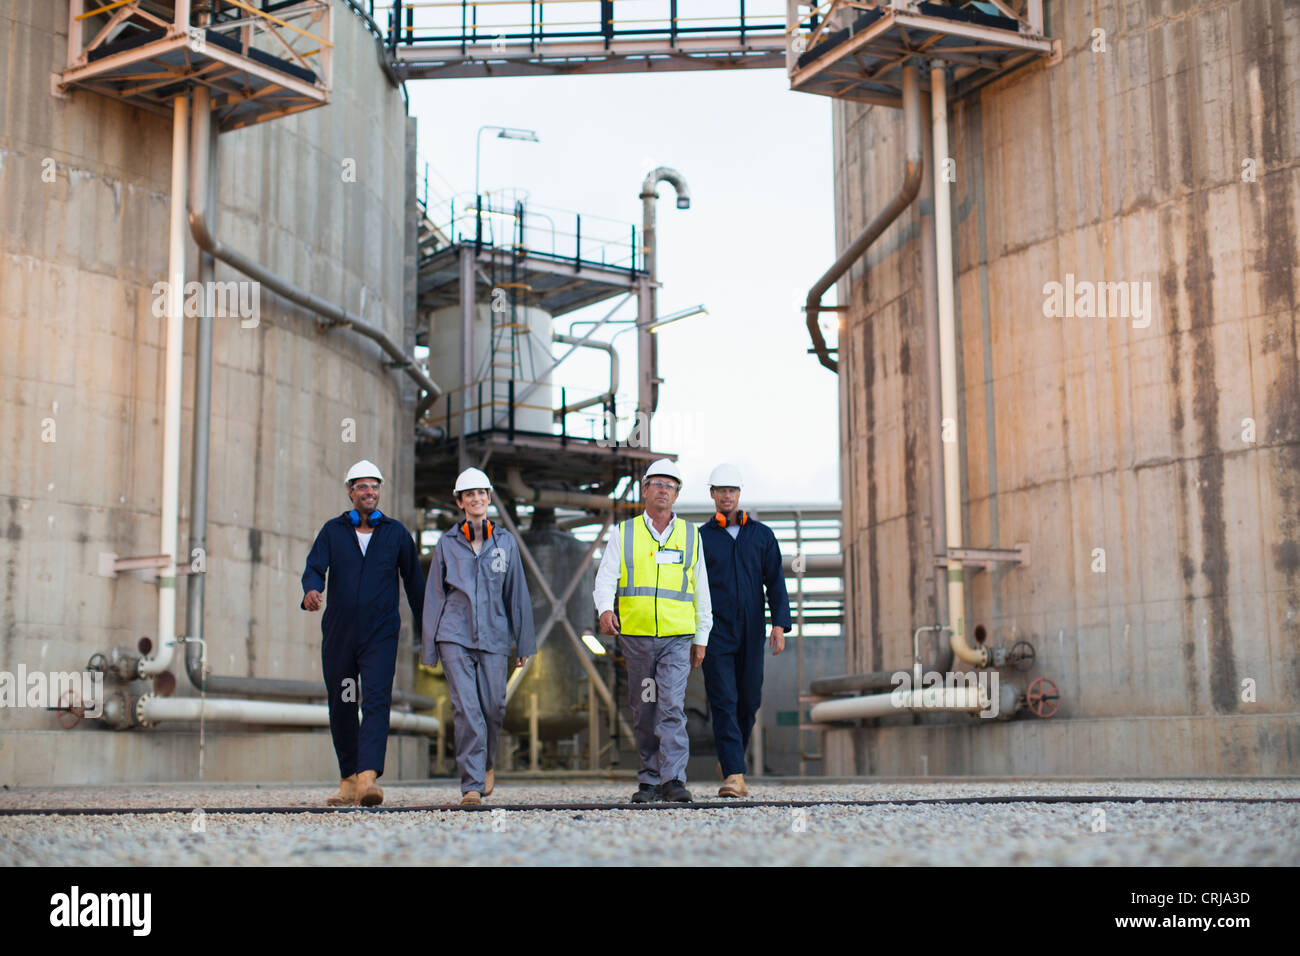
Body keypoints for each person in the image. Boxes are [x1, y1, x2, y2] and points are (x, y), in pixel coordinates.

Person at [301, 459, 425, 807]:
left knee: (375, 701)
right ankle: (348, 779)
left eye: (375, 486)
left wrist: (427, 627)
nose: (369, 492)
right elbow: (314, 567)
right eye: (362, 486)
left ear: (379, 492)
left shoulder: (396, 534)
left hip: (380, 635)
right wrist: (311, 590)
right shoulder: (332, 531)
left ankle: (369, 777)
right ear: (350, 491)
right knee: (343, 704)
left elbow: (416, 584)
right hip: (341, 635)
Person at [594, 459, 712, 803]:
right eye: (657, 484)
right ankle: (648, 779)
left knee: (672, 706)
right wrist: (604, 608)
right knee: (645, 707)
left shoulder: (691, 536)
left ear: (676, 494)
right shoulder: (624, 532)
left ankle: (673, 779)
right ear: (645, 490)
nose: (663, 490)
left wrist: (701, 637)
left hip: (677, 639)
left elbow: (701, 588)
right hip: (638, 638)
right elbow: (606, 576)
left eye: (669, 485)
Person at [422, 468, 535, 805]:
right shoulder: (447, 544)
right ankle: (471, 785)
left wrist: (523, 641)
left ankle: (485, 763)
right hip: (454, 636)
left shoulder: (506, 543)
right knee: (467, 709)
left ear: (488, 499)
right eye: (468, 494)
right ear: (460, 502)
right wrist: (430, 648)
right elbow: (434, 597)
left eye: (481, 493)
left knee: (493, 707)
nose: (476, 499)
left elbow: (517, 593)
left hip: (495, 637)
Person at [698, 463, 791, 798]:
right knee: (723, 699)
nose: (726, 496)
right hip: (715, 630)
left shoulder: (761, 536)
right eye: (721, 490)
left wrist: (779, 623)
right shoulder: (701, 538)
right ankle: (735, 774)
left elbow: (775, 582)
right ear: (712, 494)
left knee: (748, 699)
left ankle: (732, 758)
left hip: (753, 628)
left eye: (732, 491)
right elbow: (691, 587)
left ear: (739, 495)